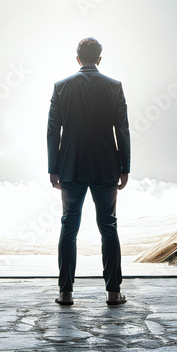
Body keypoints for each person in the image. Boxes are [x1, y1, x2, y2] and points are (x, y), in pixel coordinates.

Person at [47, 37, 131, 306]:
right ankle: (113, 293)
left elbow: (52, 131)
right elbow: (123, 130)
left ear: (77, 58)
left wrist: (53, 168)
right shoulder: (114, 87)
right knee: (108, 227)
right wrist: (124, 167)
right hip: (107, 167)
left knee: (68, 227)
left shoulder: (61, 87)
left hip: (70, 168)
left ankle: (66, 292)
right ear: (100, 58)